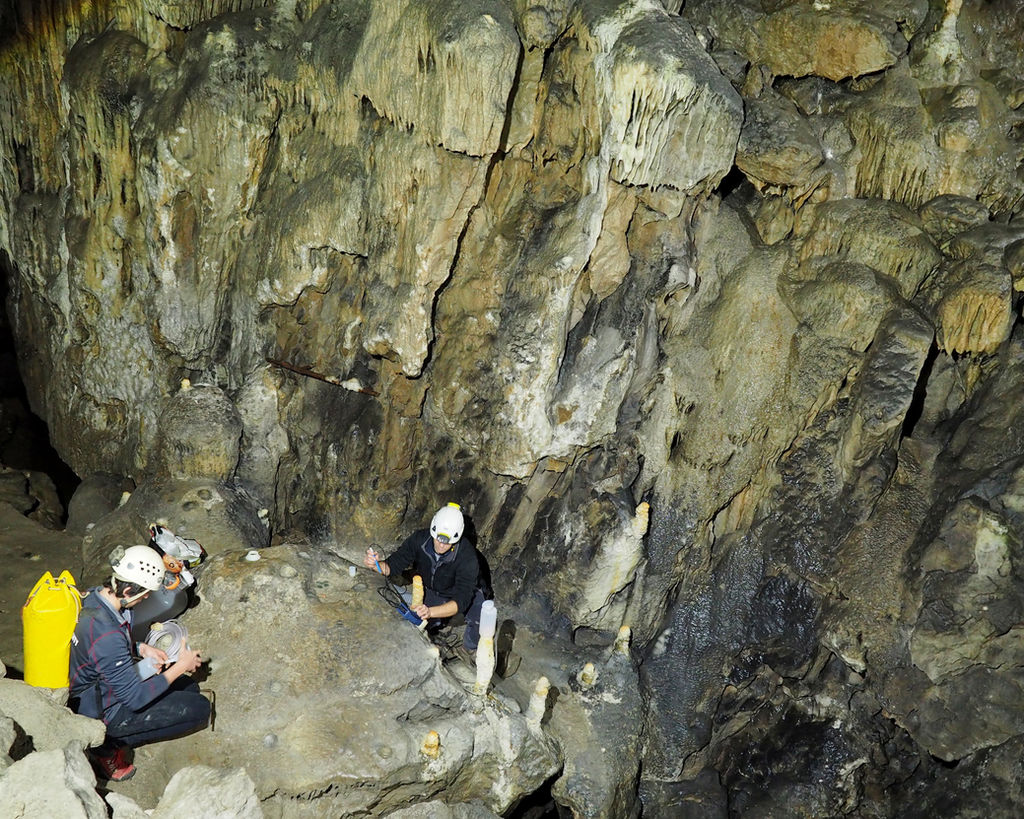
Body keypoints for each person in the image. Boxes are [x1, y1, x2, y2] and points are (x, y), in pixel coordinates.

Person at [69, 544, 209, 782]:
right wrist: (180, 666)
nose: (146, 598)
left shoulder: (94, 596)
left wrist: (140, 648)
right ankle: (104, 746)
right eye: (144, 593)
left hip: (94, 685)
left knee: (189, 687)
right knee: (199, 709)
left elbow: (99, 647)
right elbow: (135, 698)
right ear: (127, 591)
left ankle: (107, 741)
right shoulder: (108, 635)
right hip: (98, 711)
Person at [364, 502, 489, 657]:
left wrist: (430, 611)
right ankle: (442, 623)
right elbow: (392, 566)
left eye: (448, 541)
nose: (442, 545)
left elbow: (461, 600)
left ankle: (469, 648)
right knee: (420, 624)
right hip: (436, 589)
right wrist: (376, 564)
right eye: (439, 539)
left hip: (467, 593)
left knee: (483, 619)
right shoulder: (420, 540)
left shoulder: (467, 557)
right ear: (433, 530)